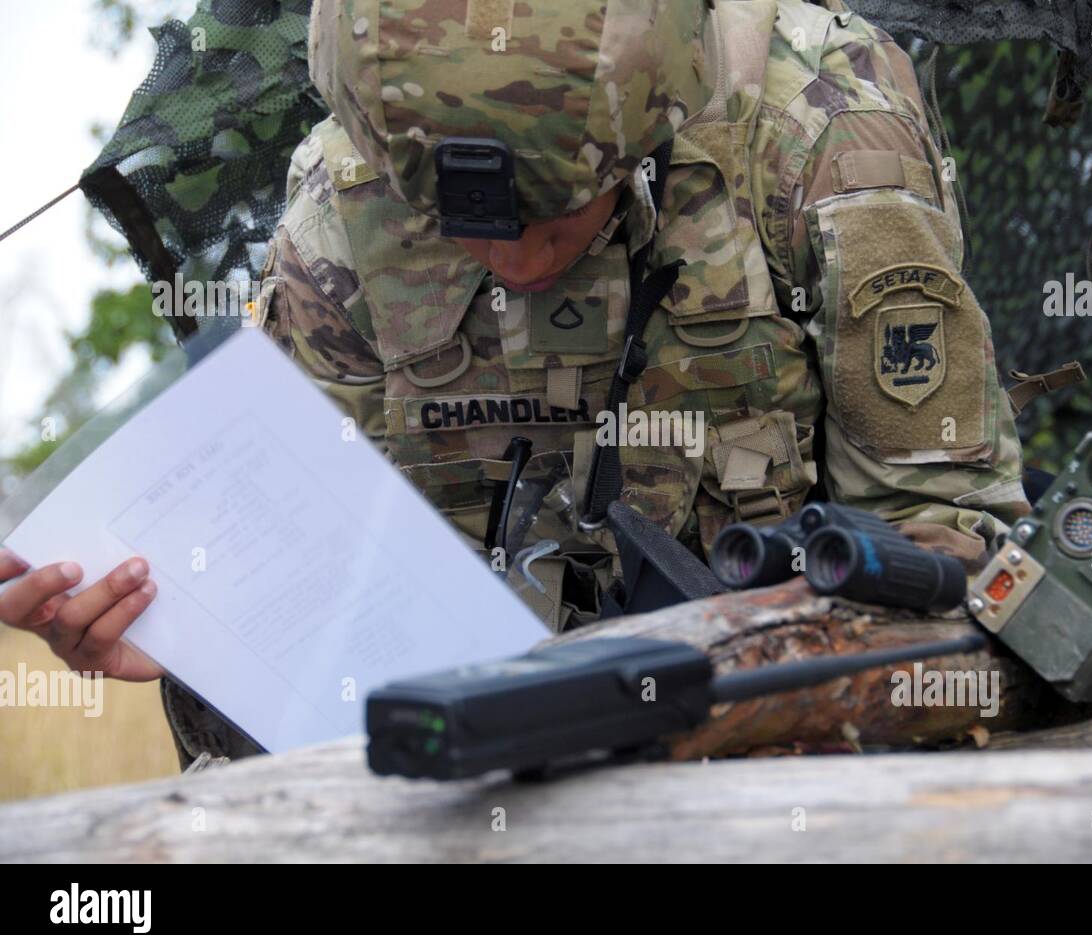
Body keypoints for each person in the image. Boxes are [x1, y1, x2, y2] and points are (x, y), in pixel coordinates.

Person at [0, 0, 1029, 764]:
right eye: (461, 220)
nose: (519, 261)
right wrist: (194, 638)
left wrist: (735, 680)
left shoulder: (824, 122)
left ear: (651, 122)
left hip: (782, 767)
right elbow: (303, 590)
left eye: (554, 213)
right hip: (459, 784)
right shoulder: (343, 200)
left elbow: (952, 546)